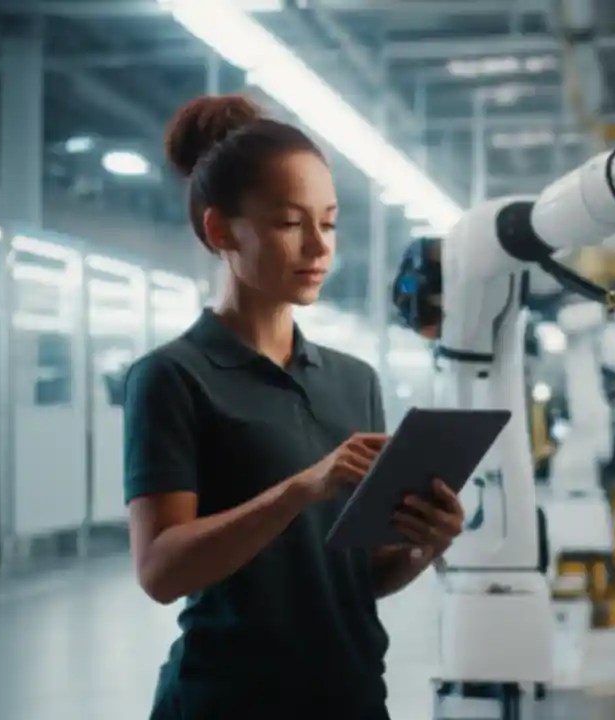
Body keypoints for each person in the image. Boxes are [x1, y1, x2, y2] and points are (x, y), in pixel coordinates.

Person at [123, 94, 466, 719]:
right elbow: (160, 570)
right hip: (226, 704)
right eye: (288, 223)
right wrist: (301, 489)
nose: (318, 247)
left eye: (328, 223)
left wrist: (424, 545)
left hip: (353, 698)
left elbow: (357, 579)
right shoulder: (172, 378)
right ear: (220, 230)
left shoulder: (354, 381)